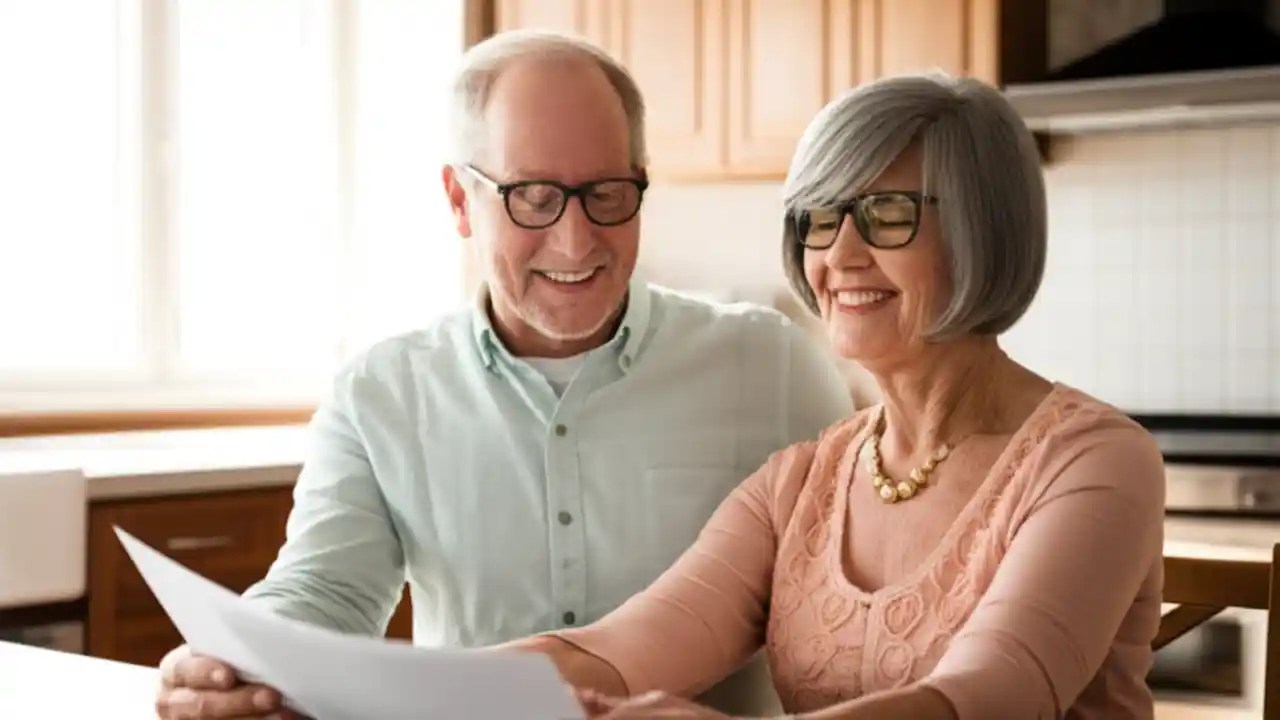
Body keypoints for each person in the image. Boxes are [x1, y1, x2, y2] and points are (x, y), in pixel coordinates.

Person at [151, 29, 853, 720]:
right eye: (533, 198)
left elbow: (857, 608)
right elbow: (323, 594)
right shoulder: (380, 395)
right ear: (460, 200)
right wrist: (235, 662)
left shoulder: (774, 367)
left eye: (607, 193)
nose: (575, 241)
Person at [505, 72, 1168, 719]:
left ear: (983, 230)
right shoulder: (797, 487)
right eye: (821, 217)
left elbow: (988, 696)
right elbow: (620, 650)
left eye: (888, 214)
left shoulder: (1091, 459)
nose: (840, 254)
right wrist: (460, 688)